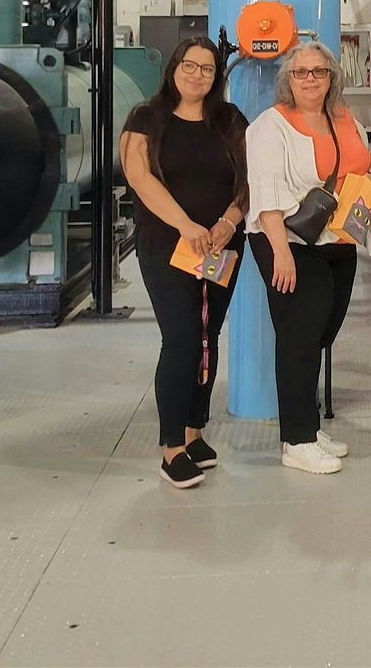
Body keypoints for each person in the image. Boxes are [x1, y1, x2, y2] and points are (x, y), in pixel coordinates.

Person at [120, 37, 248, 489]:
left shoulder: (230, 120)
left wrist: (230, 222)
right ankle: (171, 445)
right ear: (173, 68)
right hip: (167, 244)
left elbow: (248, 181)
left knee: (209, 336)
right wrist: (186, 225)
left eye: (207, 69)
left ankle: (195, 432)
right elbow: (139, 177)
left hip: (222, 246)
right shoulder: (145, 118)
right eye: (189, 66)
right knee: (182, 338)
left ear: (217, 76)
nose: (197, 75)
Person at [245, 41, 371, 475]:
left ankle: (309, 425)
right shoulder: (272, 125)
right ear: (288, 79)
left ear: (331, 77)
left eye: (318, 72)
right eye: (300, 73)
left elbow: (362, 167)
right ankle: (296, 440)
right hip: (289, 241)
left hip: (338, 239)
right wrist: (280, 252)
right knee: (299, 337)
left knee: (323, 330)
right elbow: (265, 193)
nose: (310, 80)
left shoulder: (344, 119)